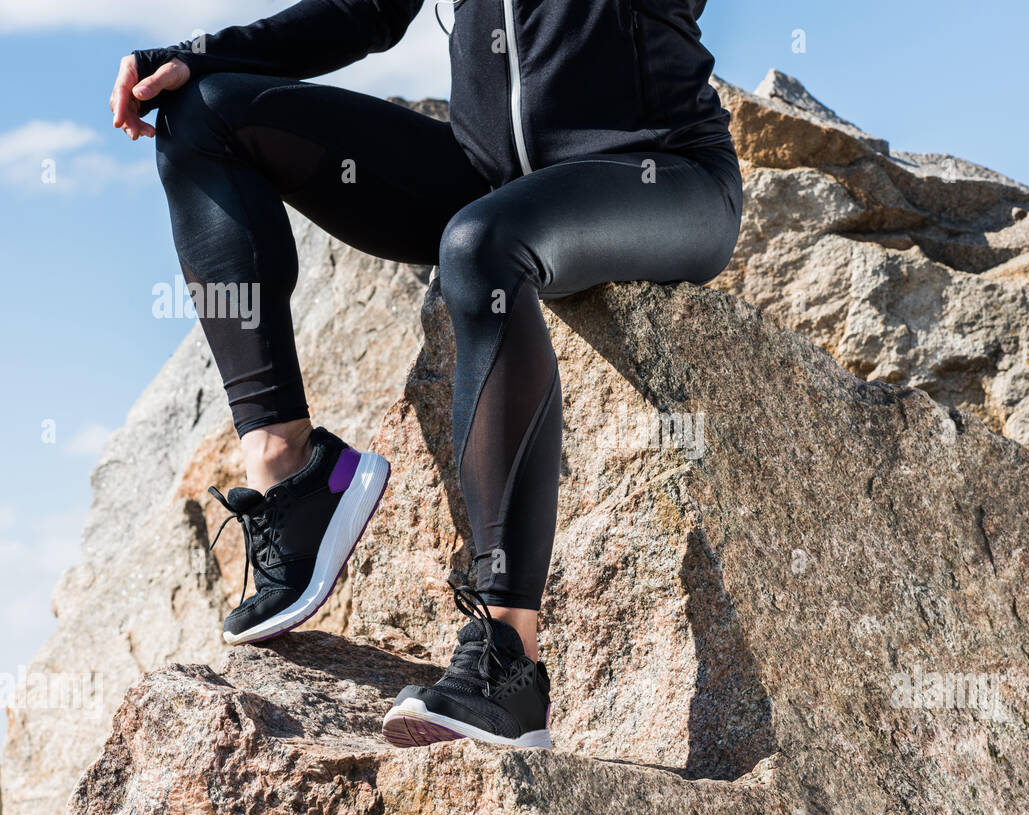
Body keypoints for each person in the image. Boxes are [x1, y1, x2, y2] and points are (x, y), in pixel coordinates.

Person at [111, 0, 741, 749]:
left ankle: (509, 662)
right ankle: (295, 478)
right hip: (489, 175)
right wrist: (202, 52)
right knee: (200, 110)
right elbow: (364, 12)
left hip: (662, 172)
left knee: (480, 249)